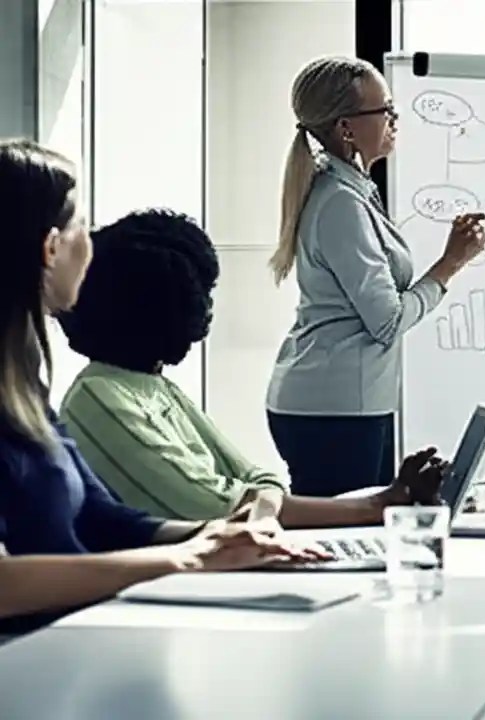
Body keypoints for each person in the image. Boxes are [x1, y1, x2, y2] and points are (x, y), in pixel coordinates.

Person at [0, 139, 319, 634]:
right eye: (82, 224)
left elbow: (100, 518)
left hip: (75, 641)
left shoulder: (24, 388)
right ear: (50, 247)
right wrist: (184, 560)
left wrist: (212, 535)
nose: (92, 241)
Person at [57, 209, 448, 527]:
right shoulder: (100, 396)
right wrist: (379, 505)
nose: (208, 309)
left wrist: (259, 499)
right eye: (200, 295)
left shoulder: (153, 386)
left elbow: (259, 479)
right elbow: (218, 505)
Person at [266, 55, 485, 497]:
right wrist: (451, 263)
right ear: (346, 128)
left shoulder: (351, 190)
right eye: (384, 110)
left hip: (339, 402)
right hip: (335, 410)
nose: (394, 118)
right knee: (345, 539)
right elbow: (385, 321)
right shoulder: (341, 204)